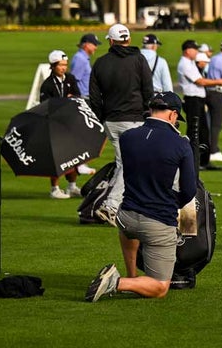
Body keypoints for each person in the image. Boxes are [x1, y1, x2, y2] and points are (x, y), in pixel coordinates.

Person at [85, 91, 196, 302]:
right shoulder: (181, 144)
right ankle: (118, 282)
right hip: (157, 221)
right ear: (173, 115)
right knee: (160, 287)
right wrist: (172, 204)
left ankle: (132, 276)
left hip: (125, 216)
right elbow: (189, 190)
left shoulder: (128, 138)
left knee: (131, 229)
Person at [88, 24, 153, 224]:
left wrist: (103, 117)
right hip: (133, 120)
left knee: (122, 164)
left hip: (111, 121)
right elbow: (148, 91)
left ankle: (101, 203)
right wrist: (148, 114)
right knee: (131, 164)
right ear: (128, 39)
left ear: (110, 40)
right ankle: (111, 205)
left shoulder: (100, 63)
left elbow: (94, 97)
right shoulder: (139, 60)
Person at [176, 39, 222, 169]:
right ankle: (194, 161)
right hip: (192, 100)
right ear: (188, 50)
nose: (197, 51)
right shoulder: (184, 64)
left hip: (198, 100)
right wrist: (219, 81)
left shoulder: (191, 63)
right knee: (195, 131)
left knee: (203, 131)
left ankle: (203, 161)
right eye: (195, 49)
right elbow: (200, 82)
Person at [39, 49, 82, 199]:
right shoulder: (47, 85)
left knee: (73, 156)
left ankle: (72, 186)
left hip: (70, 123)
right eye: (60, 65)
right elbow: (46, 107)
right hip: (54, 126)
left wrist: (71, 98)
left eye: (65, 64)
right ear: (53, 66)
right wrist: (65, 101)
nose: (64, 67)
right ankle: (54, 188)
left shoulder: (70, 78)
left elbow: (77, 96)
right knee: (57, 157)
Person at [71, 32, 100, 96]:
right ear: (87, 44)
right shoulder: (80, 58)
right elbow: (73, 80)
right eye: (95, 44)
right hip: (82, 97)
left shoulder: (83, 58)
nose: (96, 48)